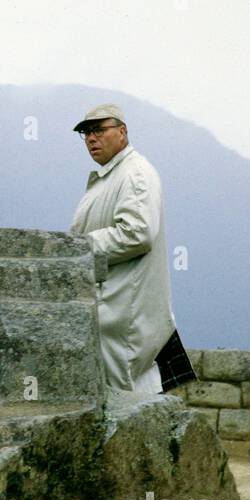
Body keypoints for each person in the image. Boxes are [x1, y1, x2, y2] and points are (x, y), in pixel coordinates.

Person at [68, 104, 197, 394]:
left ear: (122, 132)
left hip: (124, 315)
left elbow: (137, 233)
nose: (91, 138)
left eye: (99, 130)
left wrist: (79, 247)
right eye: (86, 133)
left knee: (125, 398)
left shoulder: (135, 173)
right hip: (111, 311)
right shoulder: (111, 177)